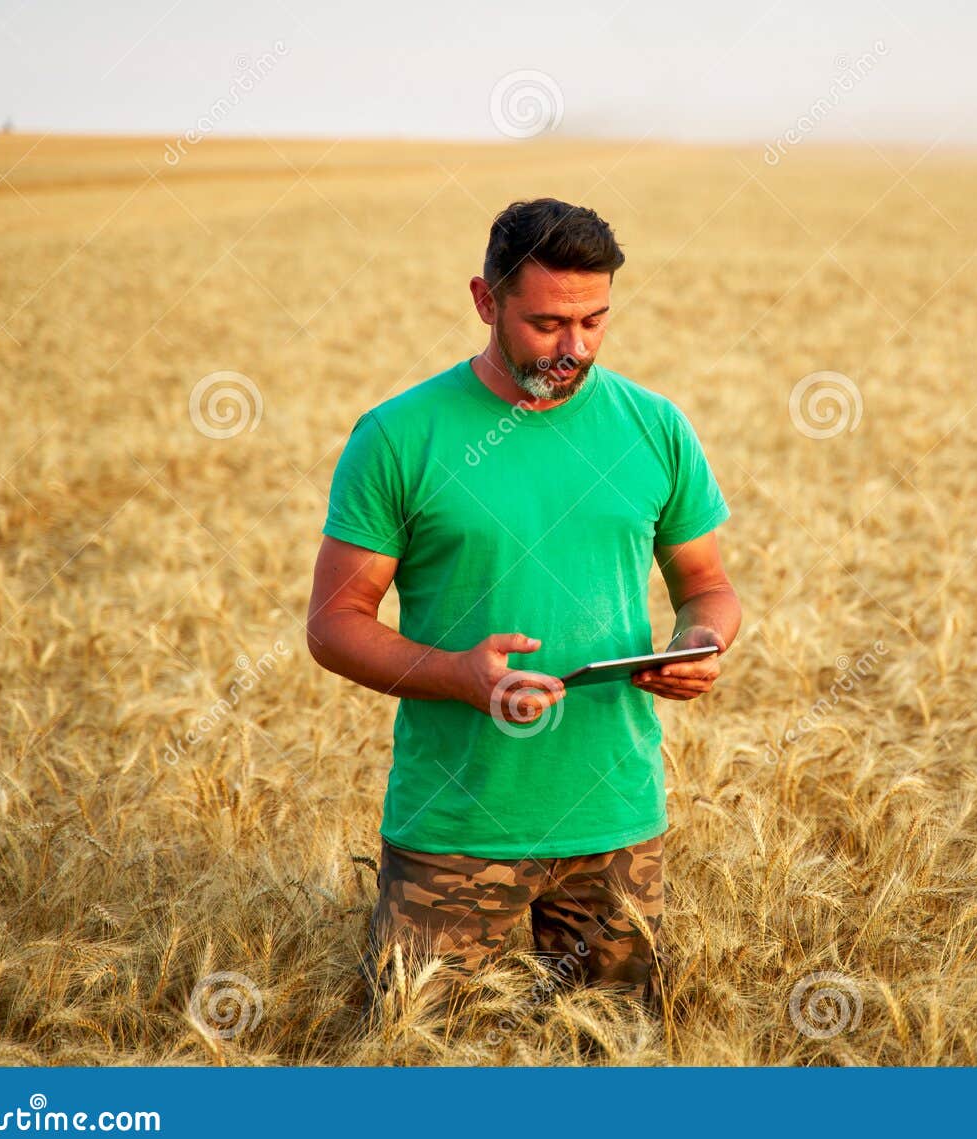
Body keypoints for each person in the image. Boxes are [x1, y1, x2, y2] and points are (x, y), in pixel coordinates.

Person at [305, 197, 742, 1027]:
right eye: (546, 323)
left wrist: (701, 640)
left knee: (619, 1057)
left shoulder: (654, 427)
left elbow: (707, 583)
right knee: (418, 1055)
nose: (574, 346)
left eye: (594, 320)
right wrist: (457, 677)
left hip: (615, 820)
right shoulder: (400, 436)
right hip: (455, 824)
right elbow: (334, 623)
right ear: (485, 300)